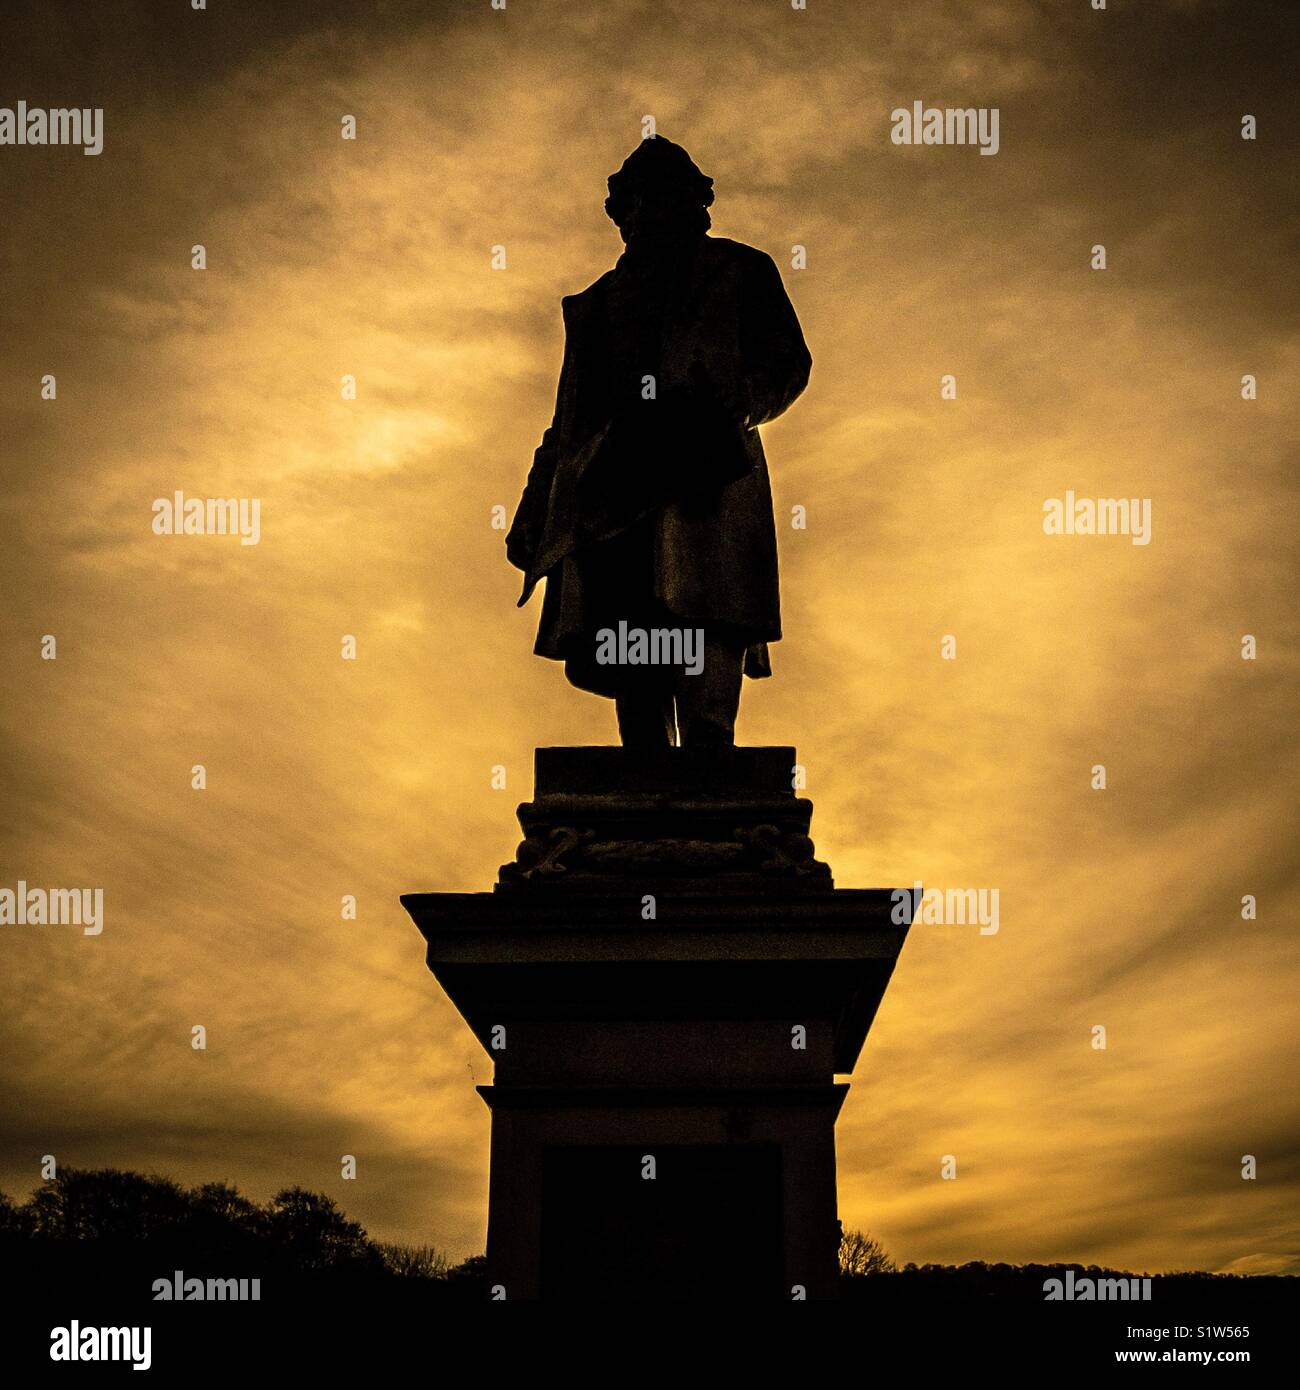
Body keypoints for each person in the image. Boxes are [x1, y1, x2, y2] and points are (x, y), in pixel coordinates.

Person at [506, 137, 811, 748]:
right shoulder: (595, 307)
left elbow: (788, 360)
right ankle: (644, 771)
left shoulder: (740, 270)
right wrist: (535, 507)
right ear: (623, 214)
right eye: (637, 200)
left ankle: (709, 764)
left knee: (706, 616)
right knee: (626, 641)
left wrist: (745, 401)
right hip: (608, 488)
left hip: (705, 474)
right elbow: (565, 422)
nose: (649, 212)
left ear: (695, 204)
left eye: (667, 196)